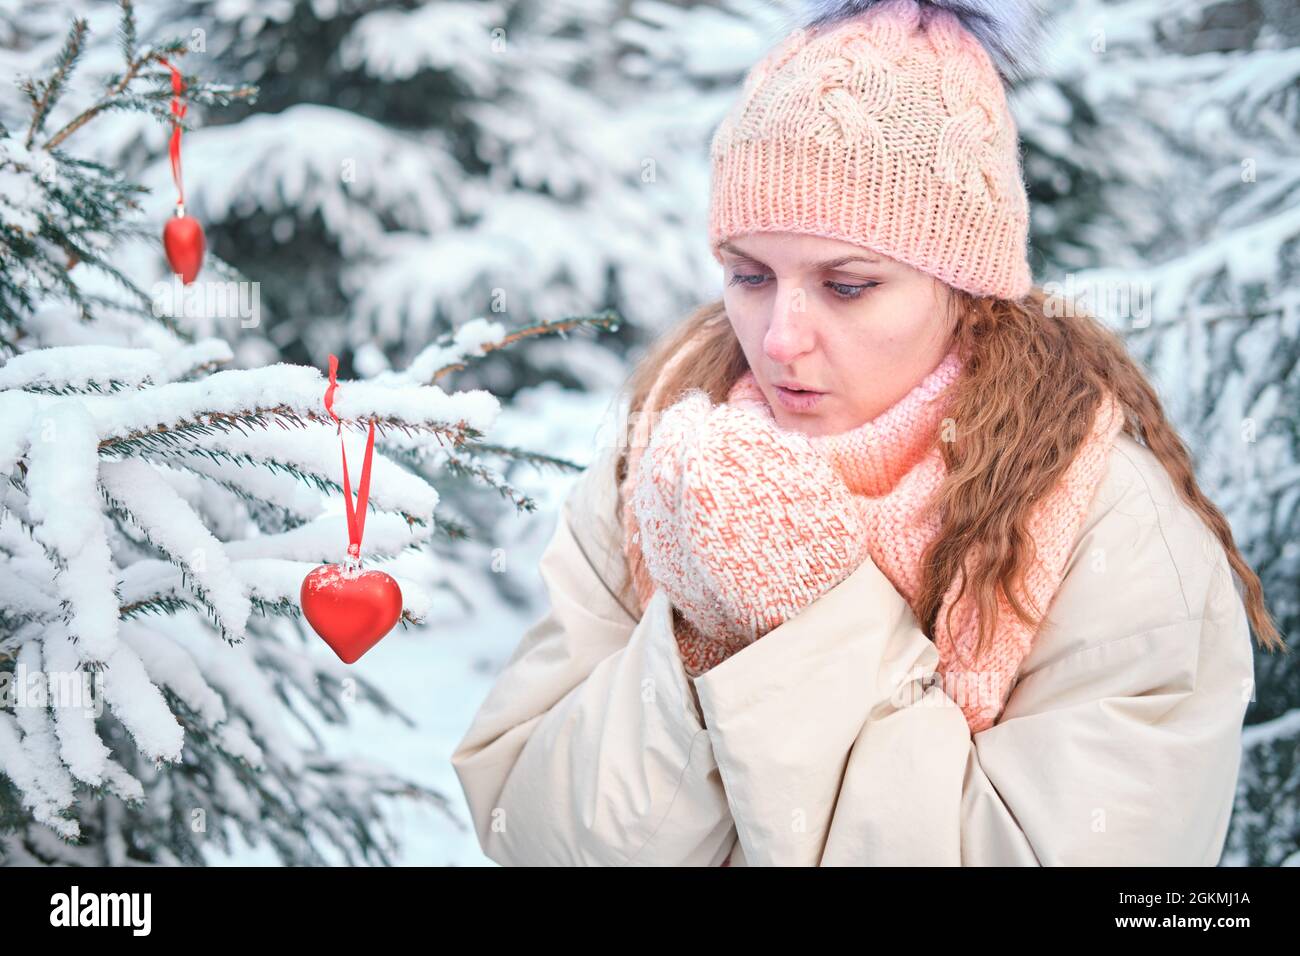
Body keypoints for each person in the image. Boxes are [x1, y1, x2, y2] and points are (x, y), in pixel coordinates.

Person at [450, 0, 1285, 866]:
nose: (779, 339)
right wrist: (698, 635)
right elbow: (527, 822)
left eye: (847, 286)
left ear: (964, 284)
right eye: (749, 275)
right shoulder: (667, 452)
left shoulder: (1111, 533)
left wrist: (803, 619)